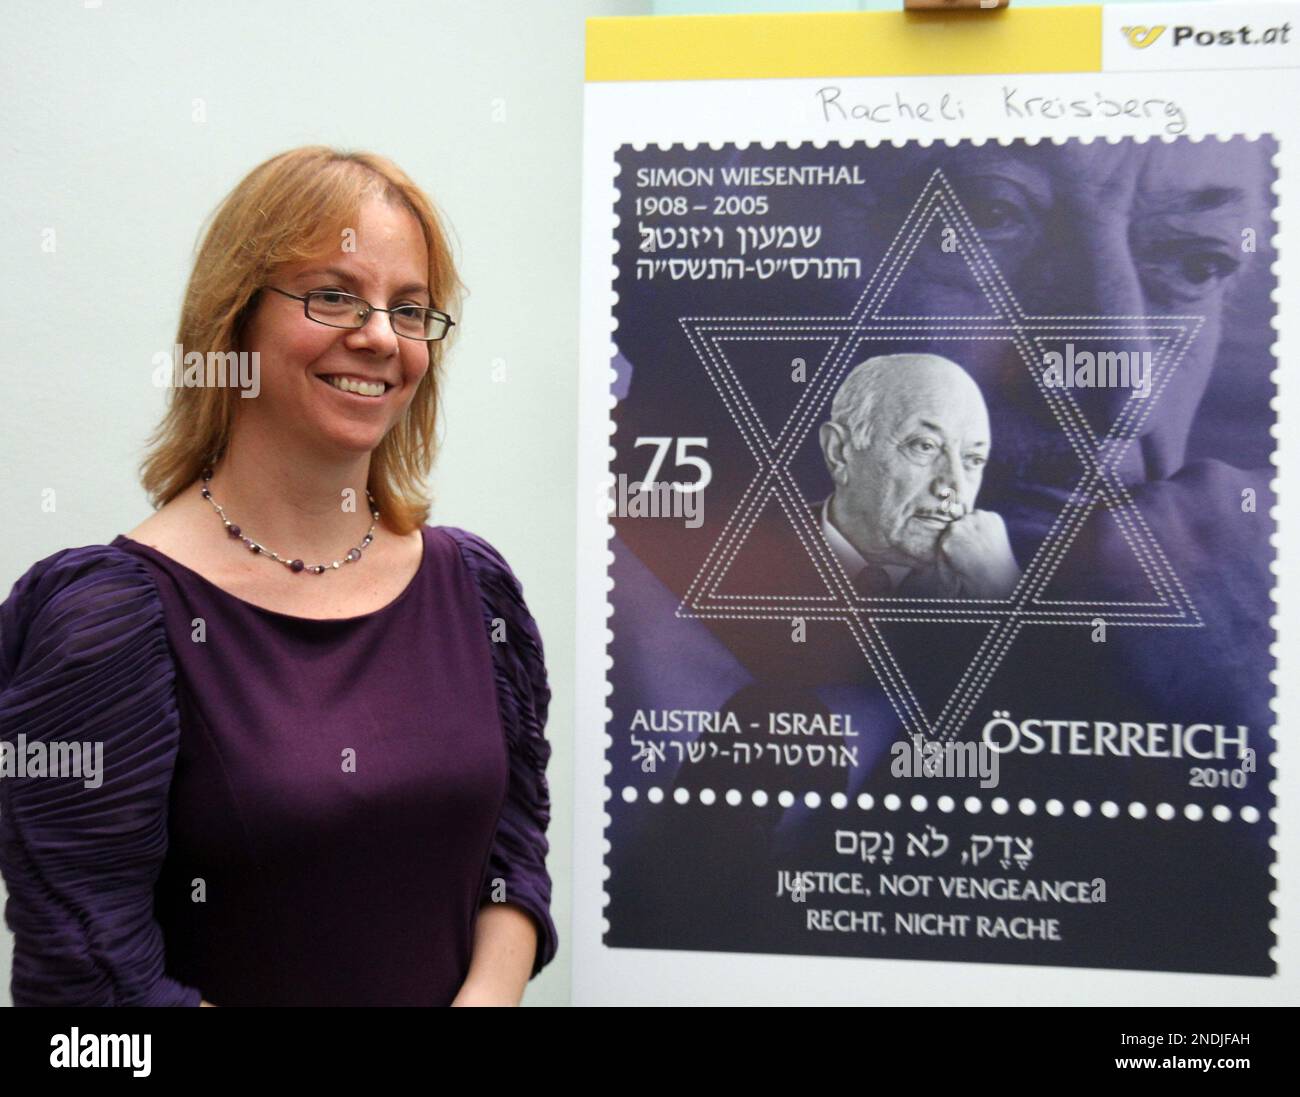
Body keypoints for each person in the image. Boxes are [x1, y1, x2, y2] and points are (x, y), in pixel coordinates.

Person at [0, 146, 557, 1006]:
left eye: (410, 310)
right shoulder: (109, 626)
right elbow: (85, 992)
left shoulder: (474, 590)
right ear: (234, 324)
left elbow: (513, 852)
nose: (379, 336)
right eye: (334, 294)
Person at [815, 353, 1020, 599]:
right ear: (839, 451)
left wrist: (1003, 590)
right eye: (925, 446)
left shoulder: (999, 576)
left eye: (973, 460)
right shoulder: (762, 542)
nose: (954, 487)